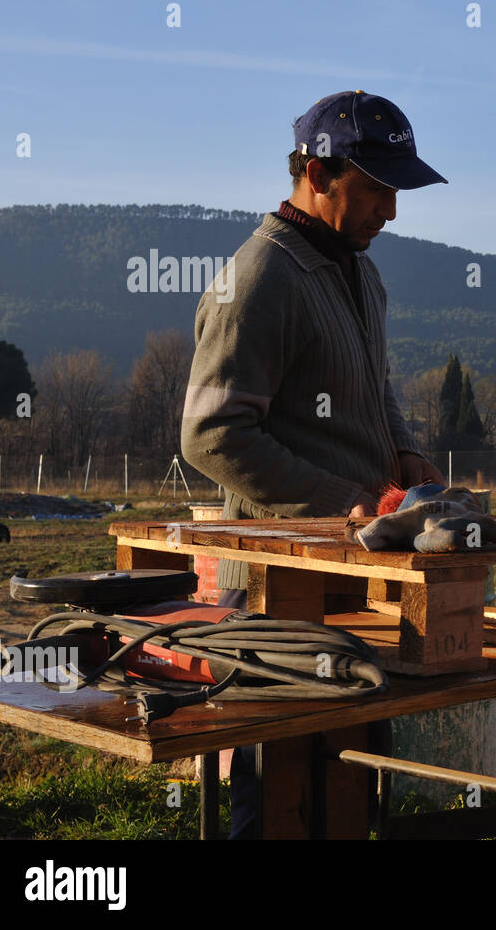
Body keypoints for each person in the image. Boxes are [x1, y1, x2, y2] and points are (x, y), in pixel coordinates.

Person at [181, 90, 447, 837]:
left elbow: (374, 386)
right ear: (315, 172)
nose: (390, 211)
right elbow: (210, 434)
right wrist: (346, 503)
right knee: (276, 799)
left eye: (396, 191)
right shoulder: (261, 277)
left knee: (351, 788)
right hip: (277, 593)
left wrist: (406, 453)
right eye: (375, 189)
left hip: (351, 583)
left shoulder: (360, 271)